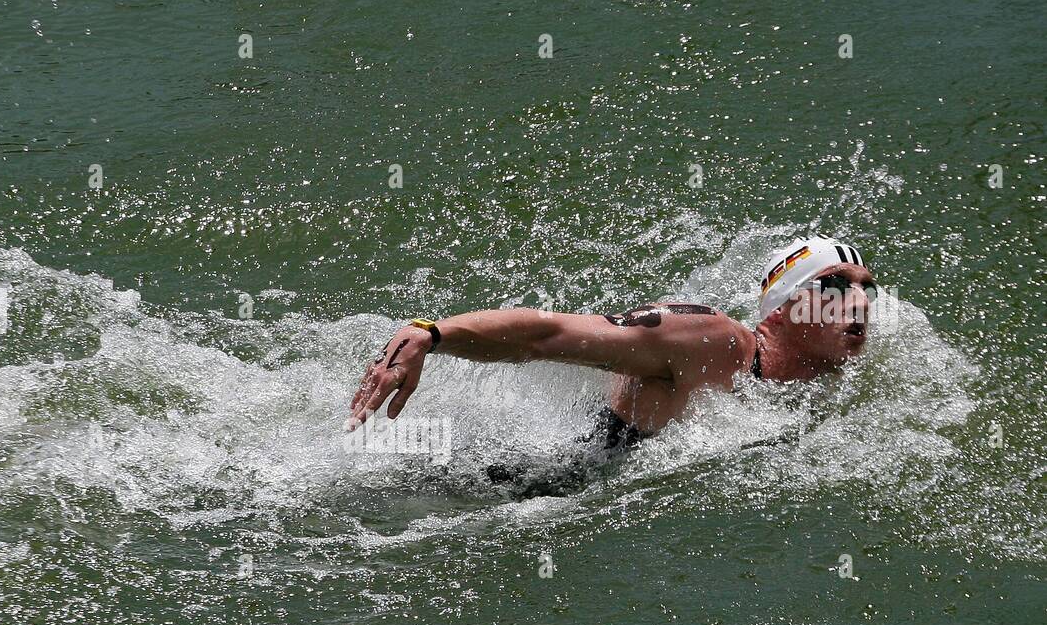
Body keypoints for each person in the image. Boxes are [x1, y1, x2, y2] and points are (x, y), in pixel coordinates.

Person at [347, 237, 876, 450]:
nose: (857, 302)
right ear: (781, 310)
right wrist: (430, 334)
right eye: (832, 287)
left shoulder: (842, 380)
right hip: (532, 490)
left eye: (866, 289)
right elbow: (548, 333)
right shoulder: (708, 339)